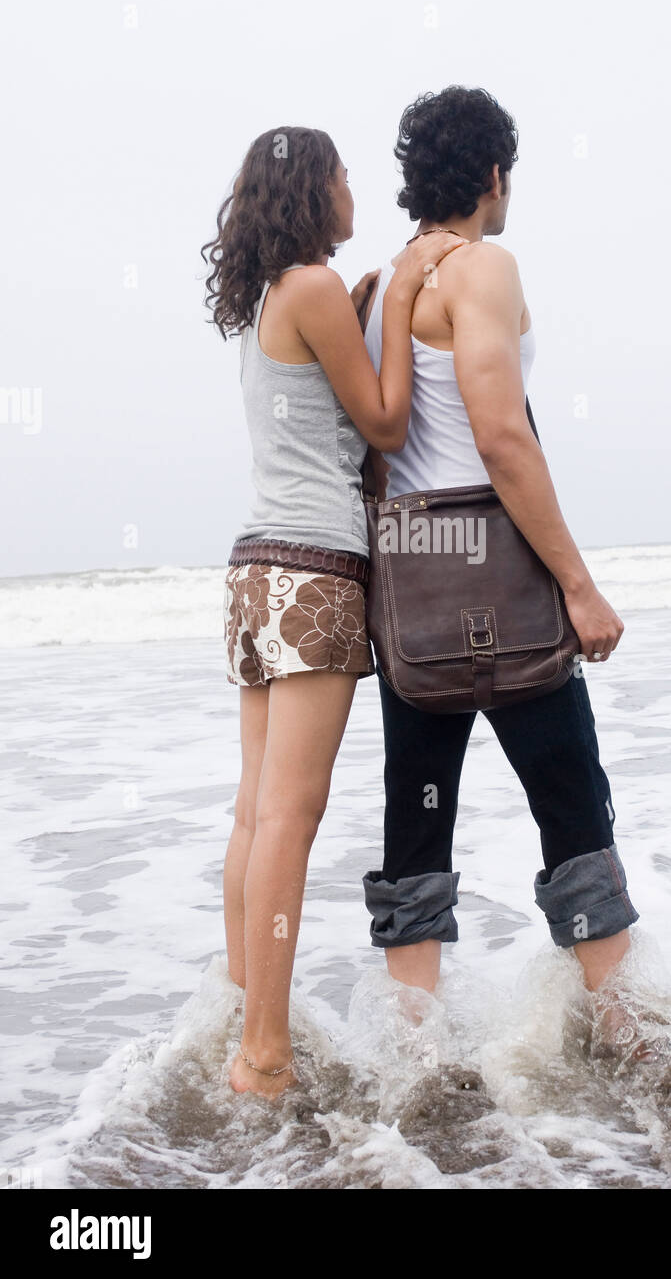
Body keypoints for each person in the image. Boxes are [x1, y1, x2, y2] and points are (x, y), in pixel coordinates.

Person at [360, 88, 642, 1042]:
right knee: (568, 798)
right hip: (497, 577)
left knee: (415, 820)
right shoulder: (482, 267)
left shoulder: (373, 288)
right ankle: (622, 1028)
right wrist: (577, 584)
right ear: (491, 176)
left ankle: (413, 1051)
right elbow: (501, 438)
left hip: (408, 578)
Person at [202, 125, 465, 1097]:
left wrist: (370, 296)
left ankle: (241, 1019)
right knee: (289, 819)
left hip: (256, 572)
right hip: (315, 572)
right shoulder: (315, 287)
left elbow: (323, 396)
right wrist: (397, 294)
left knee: (251, 815)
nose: (358, 188)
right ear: (316, 190)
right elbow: (384, 419)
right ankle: (264, 1054)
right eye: (346, 175)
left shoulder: (281, 294)